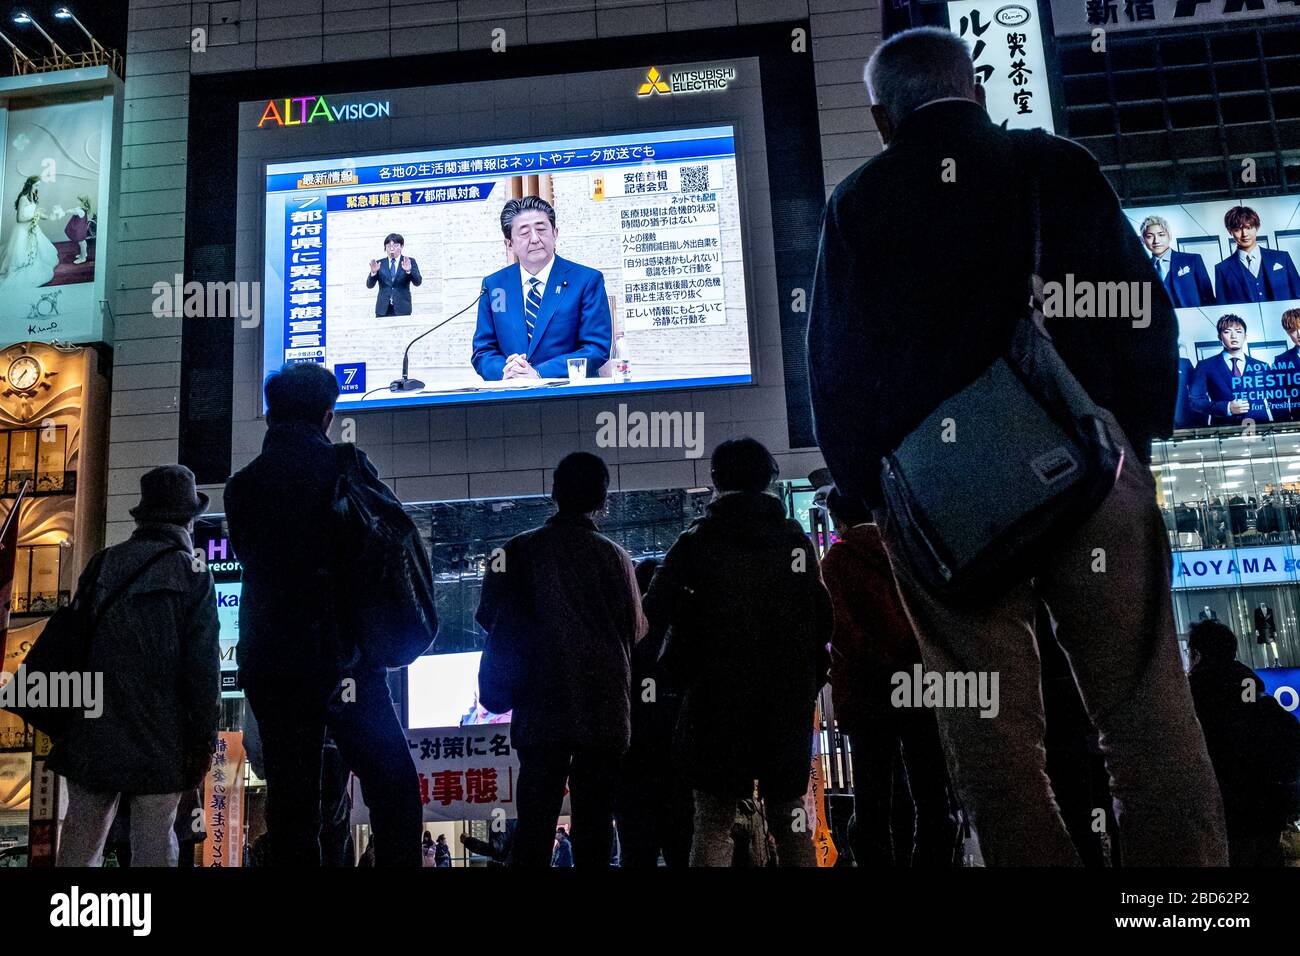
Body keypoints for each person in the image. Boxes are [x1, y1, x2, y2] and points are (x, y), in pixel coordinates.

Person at [806, 27, 1227, 866]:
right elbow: (1143, 313)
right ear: (979, 90)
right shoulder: (1057, 166)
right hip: (1086, 466)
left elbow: (835, 372)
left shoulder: (859, 203)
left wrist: (875, 497)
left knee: (993, 741)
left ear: (883, 118)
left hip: (944, 500)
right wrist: (1127, 440)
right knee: (1144, 710)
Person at [224, 362, 422, 866]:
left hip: (273, 663)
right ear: (328, 416)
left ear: (269, 417)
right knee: (392, 783)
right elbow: (386, 547)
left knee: (294, 803)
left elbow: (251, 557)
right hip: (343, 660)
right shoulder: (347, 470)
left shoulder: (242, 487)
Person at [643, 438, 832, 867]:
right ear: (769, 479)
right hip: (785, 699)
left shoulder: (696, 542)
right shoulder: (794, 541)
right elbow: (822, 618)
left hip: (713, 700)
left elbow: (654, 610)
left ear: (715, 480)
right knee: (790, 817)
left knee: (712, 821)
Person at [475, 451, 646, 867]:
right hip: (604, 710)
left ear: (553, 492)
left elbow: (487, 618)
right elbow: (636, 630)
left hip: (541, 705)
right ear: (603, 500)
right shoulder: (616, 558)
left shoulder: (516, 551)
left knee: (535, 820)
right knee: (595, 822)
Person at [52, 465, 221, 867]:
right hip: (161, 736)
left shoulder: (103, 564)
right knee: (155, 844)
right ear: (188, 519)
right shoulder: (193, 572)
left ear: (142, 517)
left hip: (92, 727)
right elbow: (203, 670)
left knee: (80, 841)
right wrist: (202, 742)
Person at [821, 488, 958, 867]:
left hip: (868, 691)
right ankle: (935, 852)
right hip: (919, 682)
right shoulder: (907, 548)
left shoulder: (836, 561)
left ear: (838, 520)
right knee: (930, 779)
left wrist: (872, 663)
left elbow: (841, 632)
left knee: (873, 786)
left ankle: (877, 856)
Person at [1186, 620, 1300, 866]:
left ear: (1196, 654)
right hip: (1263, 815)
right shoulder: (1253, 696)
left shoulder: (1189, 704)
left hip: (1213, 818)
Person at [470, 196, 612, 381]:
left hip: (569, 396)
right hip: (511, 397)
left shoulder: (586, 280)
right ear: (509, 243)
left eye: (541, 229)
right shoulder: (495, 286)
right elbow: (483, 350)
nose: (535, 239)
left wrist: (539, 374)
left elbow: (596, 348)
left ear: (555, 233)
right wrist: (507, 371)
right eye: (524, 233)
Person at [613, 557, 694, 868]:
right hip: (678, 766)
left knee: (636, 852)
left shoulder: (621, 639)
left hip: (631, 767)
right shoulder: (683, 637)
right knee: (682, 849)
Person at [1187, 314, 1272, 427]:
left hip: (1261, 428)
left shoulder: (1262, 366)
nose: (1233, 336)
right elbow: (1195, 402)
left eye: (1238, 331)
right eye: (1227, 332)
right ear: (1219, 336)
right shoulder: (1205, 366)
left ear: (1245, 336)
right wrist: (1227, 408)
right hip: (1224, 430)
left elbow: (1276, 399)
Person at [1213, 205, 1300, 304]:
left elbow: (1298, 294)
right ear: (1230, 231)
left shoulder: (1282, 258)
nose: (1244, 234)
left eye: (1248, 228)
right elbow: (1222, 307)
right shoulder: (1222, 269)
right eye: (1237, 229)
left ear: (1257, 227)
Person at [1140, 215, 1214, 308]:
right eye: (1150, 236)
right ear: (1143, 240)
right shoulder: (1141, 270)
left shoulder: (1193, 260)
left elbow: (1209, 298)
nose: (1156, 241)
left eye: (1161, 235)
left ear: (1169, 236)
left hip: (1194, 319)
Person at [0, 175, 59, 292]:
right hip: (23, 229)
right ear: (30, 185)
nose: (37, 188)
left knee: (36, 249)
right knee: (21, 251)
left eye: (38, 186)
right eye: (36, 185)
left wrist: (48, 216)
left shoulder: (33, 195)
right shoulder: (23, 198)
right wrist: (35, 215)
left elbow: (35, 211)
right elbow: (20, 218)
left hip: (32, 228)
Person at [366, 233, 422, 316]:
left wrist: (409, 271)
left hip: (402, 308)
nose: (392, 248)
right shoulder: (379, 264)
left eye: (395, 245)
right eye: (388, 246)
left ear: (401, 246)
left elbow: (418, 282)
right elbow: (369, 285)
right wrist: (373, 273)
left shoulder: (410, 261)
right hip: (383, 309)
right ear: (385, 247)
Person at [1270, 308, 1300, 423]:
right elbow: (1277, 398)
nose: (1299, 334)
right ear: (1288, 333)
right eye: (1293, 330)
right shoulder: (1282, 361)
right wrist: (1286, 425)